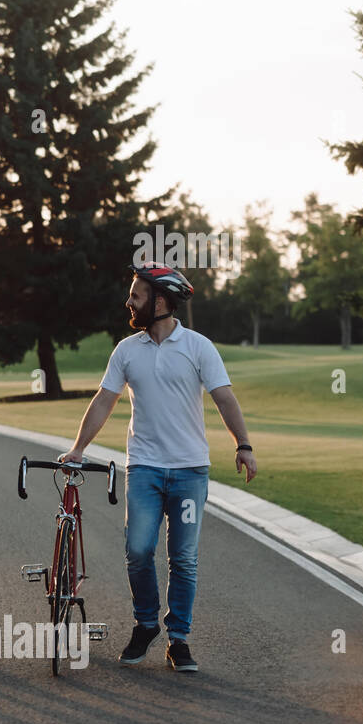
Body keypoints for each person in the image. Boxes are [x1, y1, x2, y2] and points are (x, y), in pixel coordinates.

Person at [60, 263, 257, 672]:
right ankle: (146, 623)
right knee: (138, 550)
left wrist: (244, 445)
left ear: (161, 302)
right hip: (145, 468)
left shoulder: (199, 347)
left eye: (136, 296)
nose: (129, 302)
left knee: (183, 558)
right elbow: (103, 401)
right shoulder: (127, 350)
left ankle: (178, 639)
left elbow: (224, 398)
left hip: (189, 472)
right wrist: (79, 447)